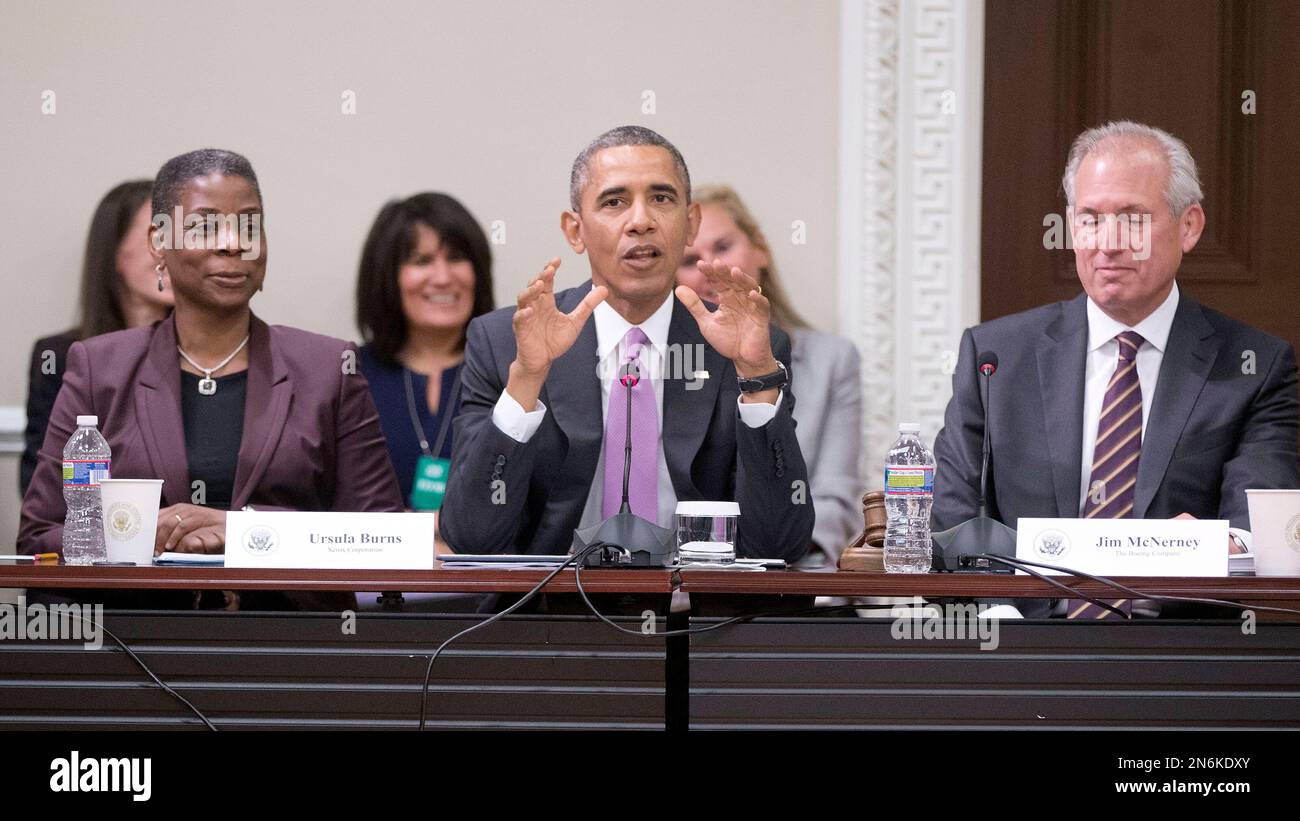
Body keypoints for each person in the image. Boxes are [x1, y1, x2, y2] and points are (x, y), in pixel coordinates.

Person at [932, 121, 1299, 616]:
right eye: (1089, 218)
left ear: (1189, 226)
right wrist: (999, 621)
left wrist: (1216, 547)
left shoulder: (1254, 367)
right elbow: (952, 521)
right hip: (1019, 648)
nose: (1108, 242)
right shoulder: (996, 357)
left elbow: (1262, 533)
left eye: (1133, 218)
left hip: (1182, 659)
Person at [18, 149, 403, 610]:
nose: (232, 243)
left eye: (249, 225)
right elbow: (41, 539)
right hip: (135, 648)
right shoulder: (100, 368)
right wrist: (142, 535)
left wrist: (240, 531)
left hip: (290, 651)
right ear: (158, 242)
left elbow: (384, 540)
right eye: (205, 225)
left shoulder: (328, 368)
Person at [439, 126, 814, 564]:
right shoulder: (503, 343)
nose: (641, 221)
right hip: (549, 619)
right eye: (614, 202)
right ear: (575, 230)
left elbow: (779, 545)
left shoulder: (744, 347)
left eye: (661, 198)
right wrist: (526, 381)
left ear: (690, 223)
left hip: (696, 617)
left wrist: (756, 376)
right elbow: (472, 539)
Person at [678, 185, 861, 569]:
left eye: (723, 247)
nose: (711, 268)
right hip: (700, 577)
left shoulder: (832, 359)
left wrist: (774, 552)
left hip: (799, 575)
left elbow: (836, 497)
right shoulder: (677, 364)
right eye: (691, 259)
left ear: (760, 247)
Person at [21, 180, 174, 496]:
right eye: (158, 237)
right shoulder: (60, 356)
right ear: (115, 251)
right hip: (94, 534)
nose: (172, 253)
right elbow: (41, 485)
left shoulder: (205, 357)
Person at [355, 192, 494, 511]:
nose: (443, 278)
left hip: (489, 561)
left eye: (457, 258)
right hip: (377, 560)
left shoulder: (512, 373)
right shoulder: (349, 377)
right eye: (422, 261)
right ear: (386, 277)